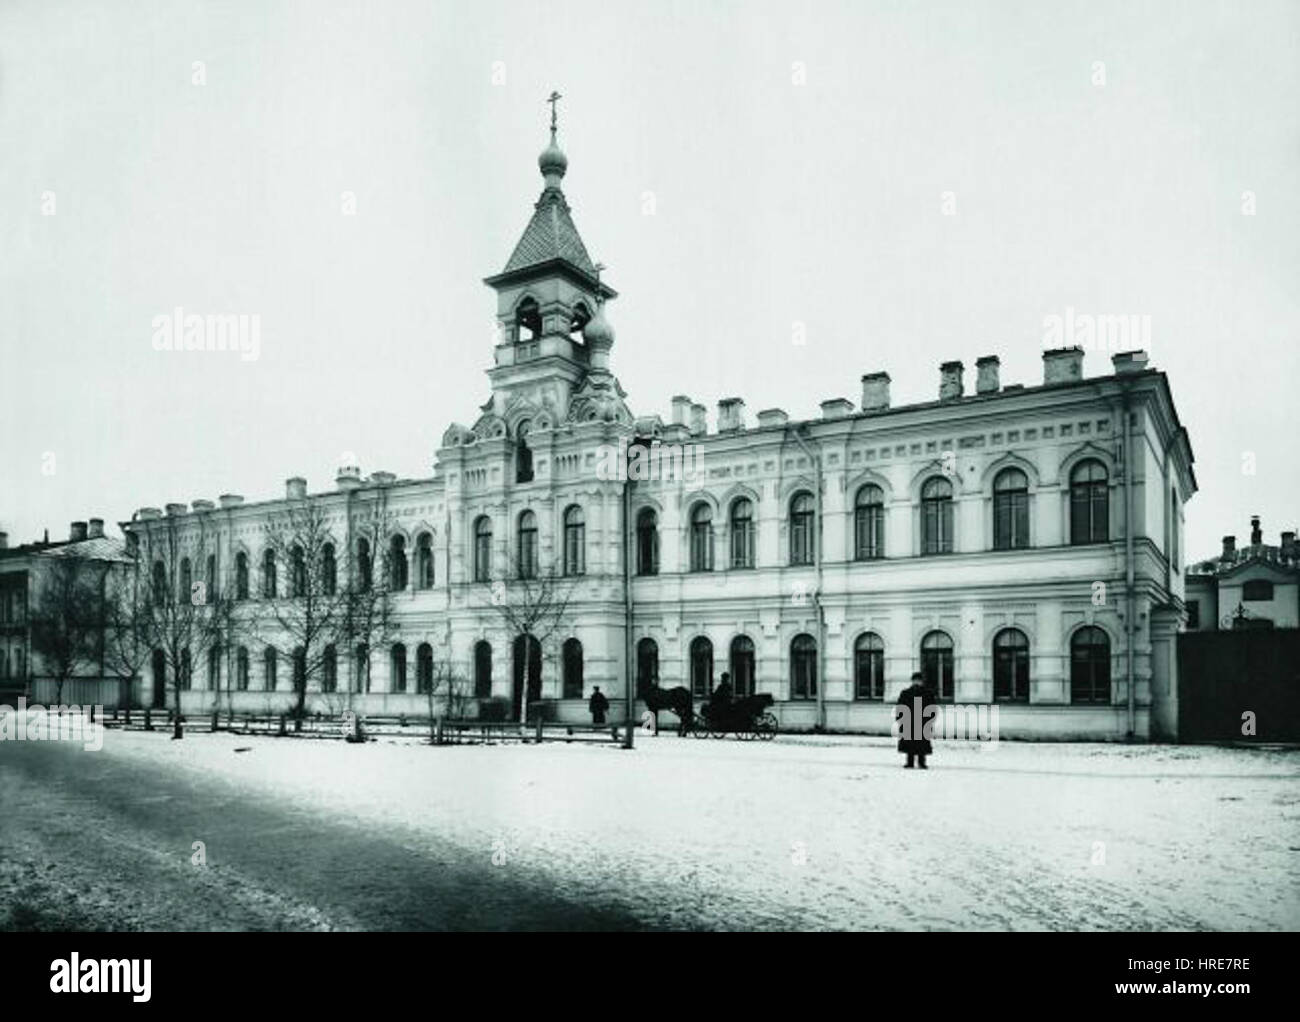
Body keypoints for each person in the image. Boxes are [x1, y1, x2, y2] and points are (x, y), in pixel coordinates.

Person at [895, 671, 935, 769]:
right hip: (909, 721)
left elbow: (932, 707)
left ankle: (922, 762)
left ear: (921, 681)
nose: (917, 682)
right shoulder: (906, 693)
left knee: (921, 743)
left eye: (918, 680)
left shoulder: (927, 693)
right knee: (910, 743)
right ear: (912, 681)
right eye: (915, 680)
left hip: (922, 721)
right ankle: (910, 761)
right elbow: (900, 706)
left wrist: (929, 719)